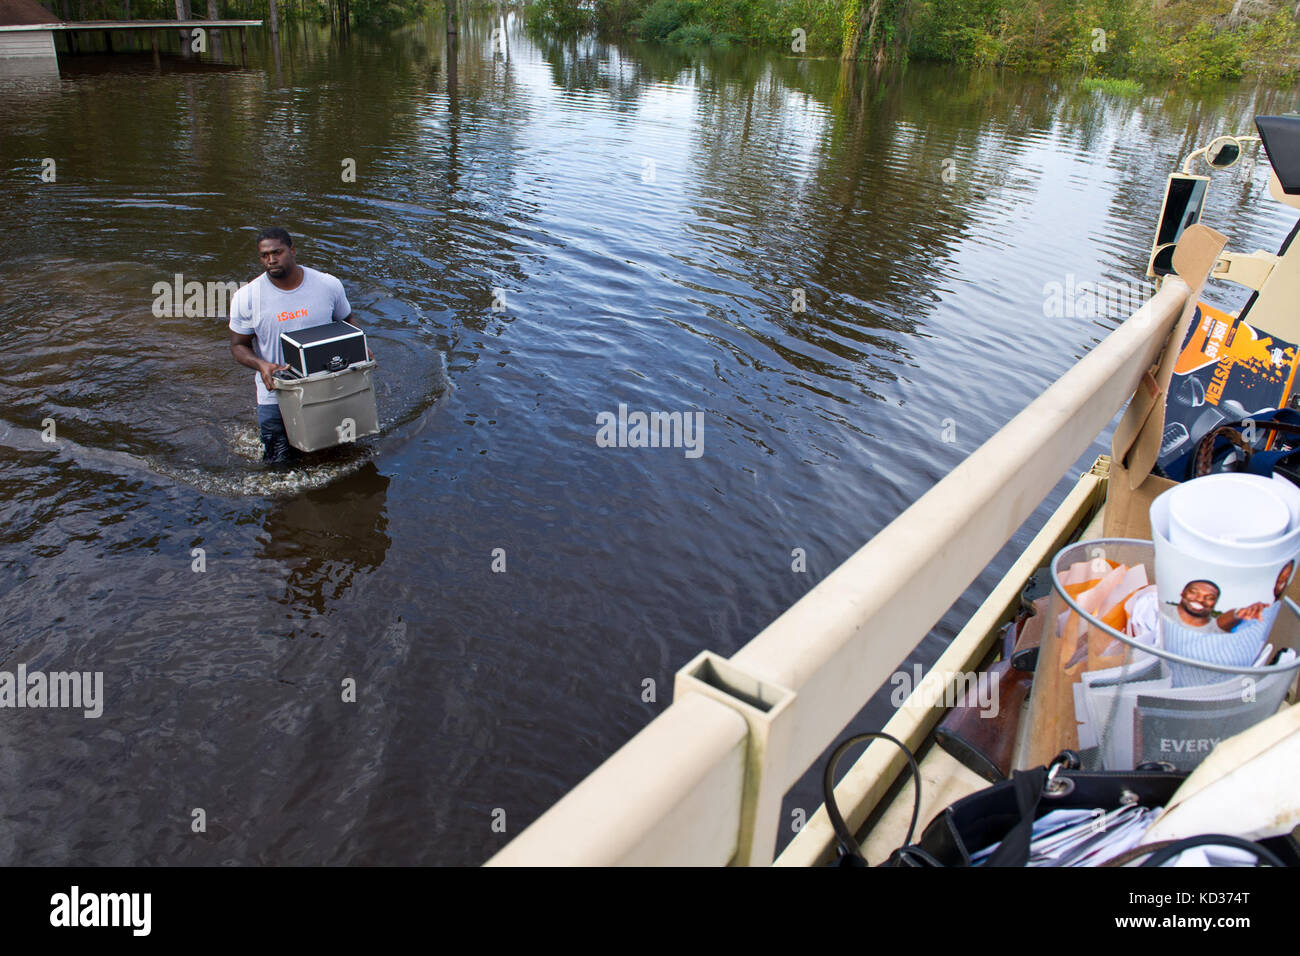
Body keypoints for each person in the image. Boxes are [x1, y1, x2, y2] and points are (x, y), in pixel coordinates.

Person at [228, 228, 367, 464]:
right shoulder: (247, 297)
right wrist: (262, 364)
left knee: (341, 453)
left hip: (327, 387)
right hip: (276, 394)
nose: (271, 260)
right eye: (264, 255)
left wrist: (361, 348)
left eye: (277, 252)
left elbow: (347, 322)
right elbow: (238, 345)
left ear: (292, 250)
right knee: (278, 463)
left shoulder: (327, 285)